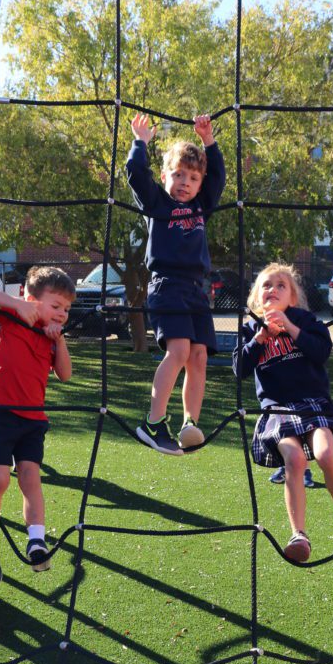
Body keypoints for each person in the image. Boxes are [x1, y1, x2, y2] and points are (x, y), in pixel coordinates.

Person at [233, 262, 333, 563]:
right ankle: (299, 534)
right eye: (266, 285)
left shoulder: (306, 320)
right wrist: (260, 338)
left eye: (281, 285)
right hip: (278, 410)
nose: (272, 289)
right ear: (256, 297)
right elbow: (239, 369)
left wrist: (290, 327)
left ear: (293, 298)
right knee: (294, 460)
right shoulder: (249, 329)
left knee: (325, 454)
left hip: (313, 404)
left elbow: (321, 352)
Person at [126, 112, 226, 455]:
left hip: (198, 288)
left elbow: (218, 180)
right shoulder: (159, 204)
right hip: (167, 285)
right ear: (167, 176)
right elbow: (138, 176)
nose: (186, 182)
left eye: (193, 177)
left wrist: (208, 141)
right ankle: (153, 422)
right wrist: (140, 143)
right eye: (179, 174)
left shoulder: (201, 206)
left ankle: (190, 424)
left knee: (198, 356)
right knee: (179, 351)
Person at [0, 266, 75, 586]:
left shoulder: (50, 338)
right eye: (55, 306)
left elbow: (65, 374)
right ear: (32, 299)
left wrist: (58, 341)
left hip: (33, 419)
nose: (61, 313)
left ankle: (36, 540)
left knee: (31, 477)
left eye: (67, 309)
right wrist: (18, 305)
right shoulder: (17, 316)